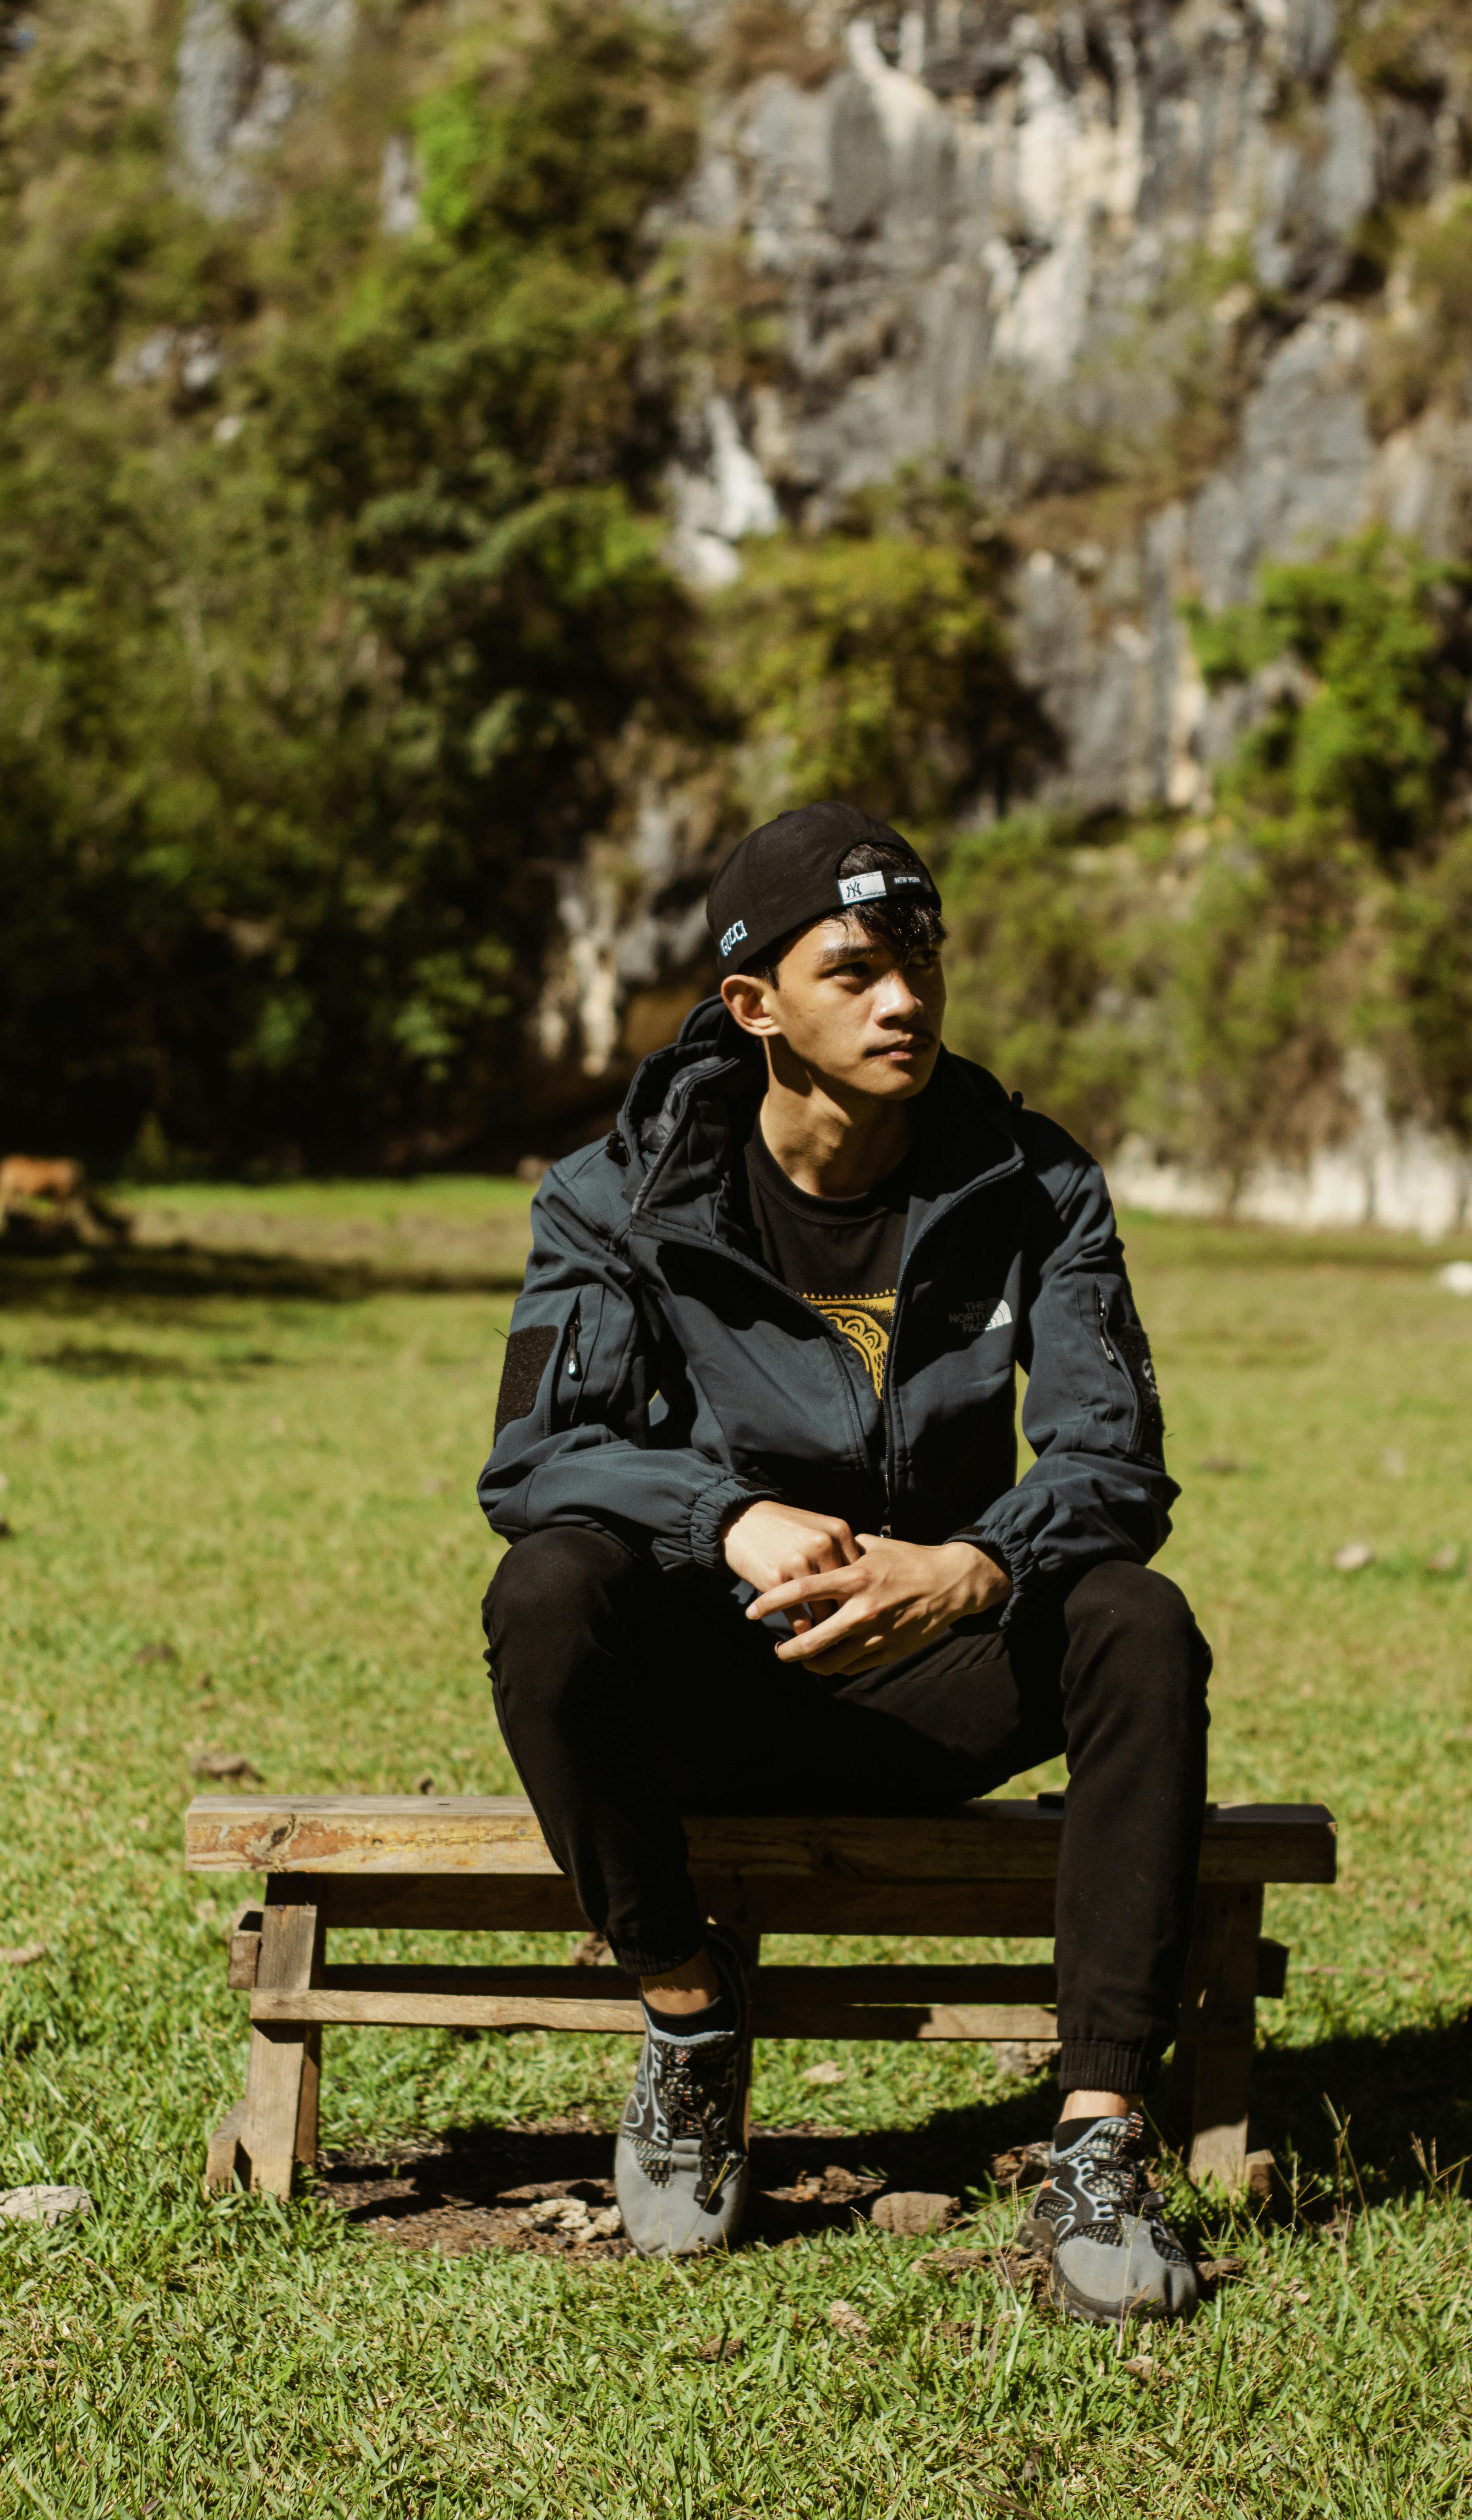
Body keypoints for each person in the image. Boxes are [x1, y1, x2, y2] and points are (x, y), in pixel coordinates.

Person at [478, 800, 1211, 2324]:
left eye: (921, 958)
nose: (905, 999)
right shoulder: (615, 1196)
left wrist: (970, 1567)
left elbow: (1112, 1465)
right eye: (857, 969)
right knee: (547, 1588)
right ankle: (688, 2021)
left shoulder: (1032, 1183)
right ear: (754, 1005)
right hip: (720, 1681)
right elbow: (536, 1458)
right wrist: (714, 1516)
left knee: (1138, 1620)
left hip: (941, 1677)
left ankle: (1094, 2139)